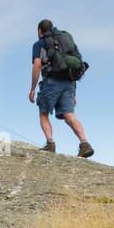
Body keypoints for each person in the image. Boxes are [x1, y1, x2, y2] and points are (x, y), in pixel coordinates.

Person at [29, 19, 94, 157]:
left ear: (40, 31)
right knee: (69, 115)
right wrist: (73, 93)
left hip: (51, 82)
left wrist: (33, 88)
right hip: (69, 83)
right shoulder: (65, 41)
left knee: (44, 112)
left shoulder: (40, 43)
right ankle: (84, 143)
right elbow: (69, 66)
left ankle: (50, 143)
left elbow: (37, 65)